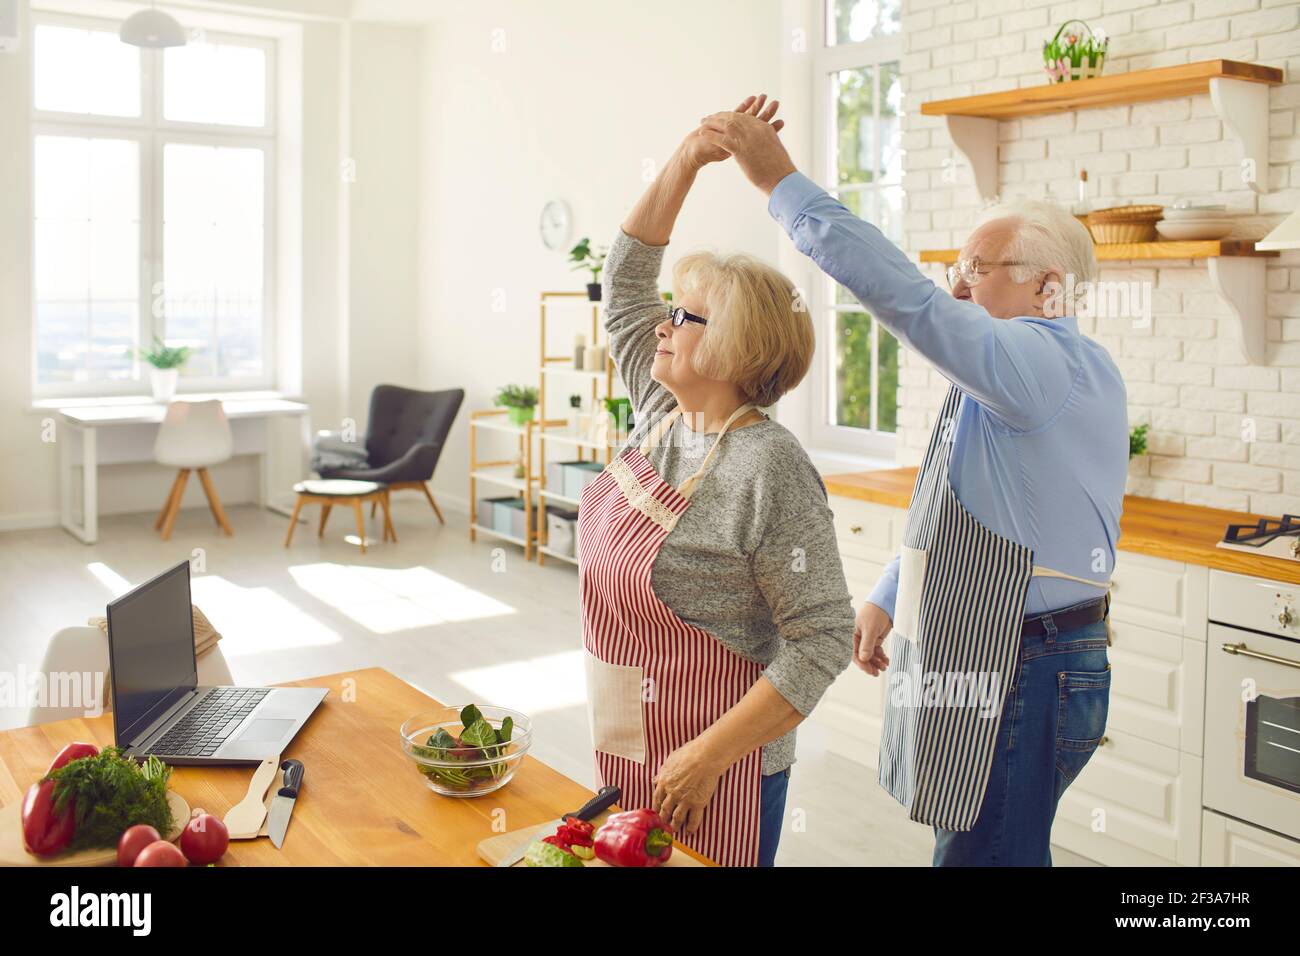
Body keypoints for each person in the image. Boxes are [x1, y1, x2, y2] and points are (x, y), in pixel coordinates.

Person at [697, 98, 1128, 866]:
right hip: (1003, 650)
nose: (957, 287)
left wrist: (780, 182)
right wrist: (892, 592)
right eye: (956, 269)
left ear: (1047, 288)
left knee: (985, 855)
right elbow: (963, 502)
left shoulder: (1040, 360)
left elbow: (909, 301)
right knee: (979, 840)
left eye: (977, 270)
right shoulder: (1007, 377)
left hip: (1030, 662)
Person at [578, 97, 854, 867]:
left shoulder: (769, 468)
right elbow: (626, 279)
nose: (663, 325)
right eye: (672, 311)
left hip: (721, 767)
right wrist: (690, 157)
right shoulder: (660, 410)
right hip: (628, 739)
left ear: (736, 349)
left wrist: (705, 757)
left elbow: (823, 638)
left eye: (688, 317)